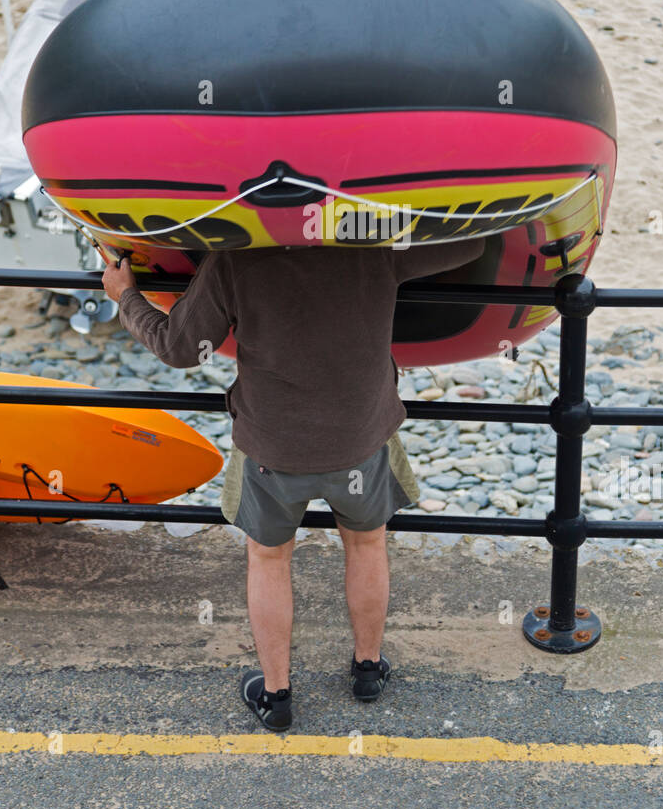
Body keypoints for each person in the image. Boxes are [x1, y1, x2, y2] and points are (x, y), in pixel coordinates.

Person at [103, 234, 486, 731]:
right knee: (368, 545)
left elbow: (180, 348)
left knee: (268, 559)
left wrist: (126, 297)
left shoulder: (235, 258)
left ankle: (277, 695)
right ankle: (367, 670)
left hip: (271, 449)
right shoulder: (376, 245)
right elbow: (471, 244)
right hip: (361, 443)